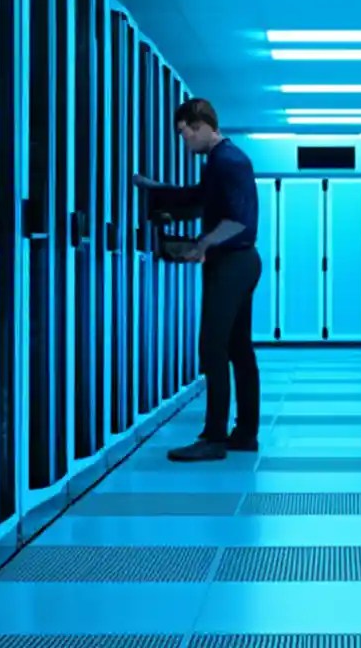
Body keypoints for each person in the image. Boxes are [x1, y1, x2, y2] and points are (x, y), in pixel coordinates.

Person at [132, 98, 262, 461]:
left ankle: (214, 438)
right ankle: (245, 434)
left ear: (201, 124)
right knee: (237, 348)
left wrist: (202, 244)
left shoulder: (228, 161)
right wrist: (152, 187)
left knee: (212, 347)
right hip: (241, 261)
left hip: (233, 262)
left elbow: (240, 221)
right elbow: (196, 198)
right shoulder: (219, 162)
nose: (183, 140)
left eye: (184, 132)